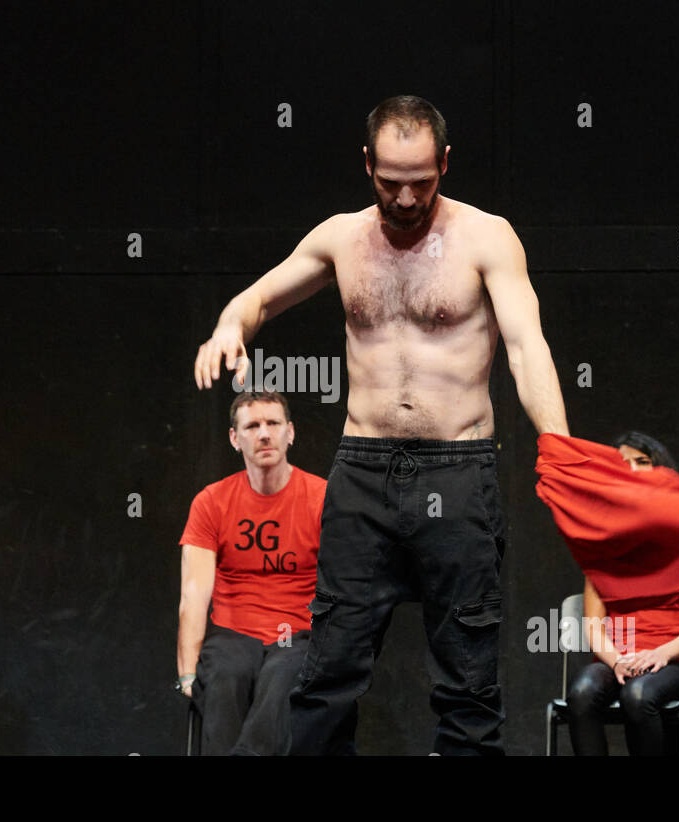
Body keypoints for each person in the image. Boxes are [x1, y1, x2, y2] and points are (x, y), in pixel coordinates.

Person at [193, 95, 570, 754]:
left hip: (458, 473)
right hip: (362, 475)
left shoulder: (487, 238)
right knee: (326, 676)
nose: (405, 198)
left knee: (469, 683)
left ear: (446, 164)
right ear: (367, 165)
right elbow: (259, 297)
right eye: (391, 182)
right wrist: (231, 323)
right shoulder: (340, 238)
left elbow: (526, 345)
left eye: (421, 182)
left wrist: (559, 445)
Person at [177, 391, 327, 754]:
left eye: (273, 424)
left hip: (294, 634)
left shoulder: (322, 497)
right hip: (233, 634)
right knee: (226, 676)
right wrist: (186, 670)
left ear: (290, 433)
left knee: (282, 677)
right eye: (252, 426)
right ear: (235, 438)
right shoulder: (211, 501)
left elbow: (344, 589)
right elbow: (194, 596)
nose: (264, 434)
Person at [566, 431, 679, 756]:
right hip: (619, 658)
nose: (630, 469)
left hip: (673, 663)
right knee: (582, 692)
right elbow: (593, 626)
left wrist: (660, 654)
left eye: (641, 462)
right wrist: (617, 661)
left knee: (639, 695)